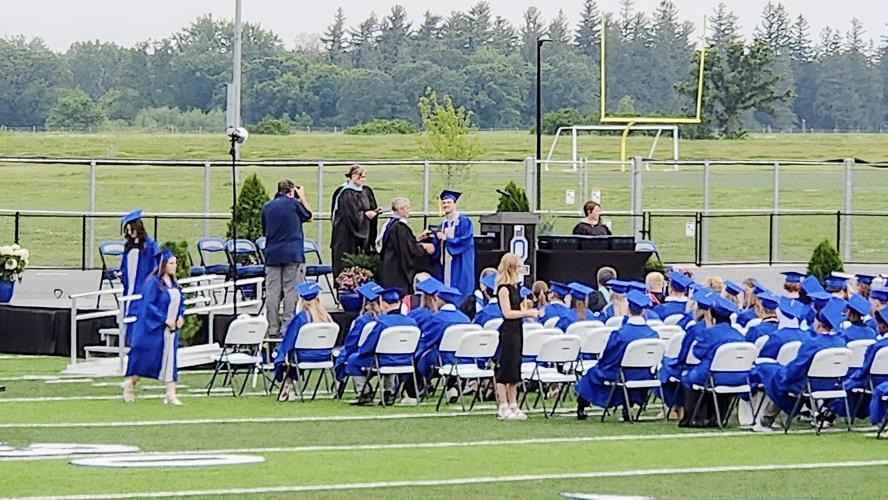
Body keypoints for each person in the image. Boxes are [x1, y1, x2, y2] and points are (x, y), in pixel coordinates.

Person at [753, 299, 849, 432]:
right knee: (778, 376)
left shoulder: (813, 343)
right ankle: (822, 415)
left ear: (819, 324)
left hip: (809, 385)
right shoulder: (841, 342)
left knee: (774, 377)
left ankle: (766, 421)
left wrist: (784, 375)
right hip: (835, 384)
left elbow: (797, 367)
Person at [575, 290, 659, 420]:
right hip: (645, 375)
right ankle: (627, 407)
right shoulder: (653, 335)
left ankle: (582, 406)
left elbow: (608, 359)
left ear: (628, 310)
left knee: (592, 373)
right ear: (643, 311)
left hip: (621, 375)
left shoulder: (620, 334)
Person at [122, 249, 185, 405]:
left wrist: (180, 316)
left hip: (172, 330)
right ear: (164, 264)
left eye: (175, 263)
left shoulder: (175, 284)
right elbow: (148, 306)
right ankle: (131, 384)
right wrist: (164, 319)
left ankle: (171, 393)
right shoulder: (153, 283)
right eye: (171, 263)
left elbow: (180, 302)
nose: (174, 266)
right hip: (156, 329)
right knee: (148, 361)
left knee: (171, 361)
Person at [679, 296, 745, 427]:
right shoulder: (738, 334)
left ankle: (695, 418)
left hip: (712, 375)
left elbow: (698, 352)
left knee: (687, 377)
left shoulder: (710, 333)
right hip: (739, 376)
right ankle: (717, 416)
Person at [345, 287, 416, 406]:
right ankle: (389, 392)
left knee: (353, 360)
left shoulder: (383, 323)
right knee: (387, 357)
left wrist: (362, 352)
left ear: (383, 304)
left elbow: (369, 346)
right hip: (407, 360)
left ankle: (365, 393)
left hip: (383, 361)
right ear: (399, 303)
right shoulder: (412, 322)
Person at [493, 253, 543, 420]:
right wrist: (528, 312)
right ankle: (503, 405)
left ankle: (514, 403)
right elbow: (507, 313)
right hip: (508, 331)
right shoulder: (503, 289)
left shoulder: (516, 288)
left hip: (518, 330)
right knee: (505, 367)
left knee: (515, 368)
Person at [261, 179, 313, 337]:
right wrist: (302, 197)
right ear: (291, 191)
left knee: (272, 291)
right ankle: (287, 326)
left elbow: (264, 230)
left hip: (272, 254)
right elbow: (309, 215)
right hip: (292, 254)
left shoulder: (267, 206)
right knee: (290, 290)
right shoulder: (293, 204)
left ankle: (272, 328)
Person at [273, 281, 334, 401]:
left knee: (289, 353)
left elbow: (289, 341)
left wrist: (279, 352)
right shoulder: (327, 319)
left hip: (303, 356)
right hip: (325, 355)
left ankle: (288, 384)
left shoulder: (301, 318)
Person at [412, 285, 471, 403]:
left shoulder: (437, 319)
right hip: (465, 360)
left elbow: (426, 341)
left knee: (417, 355)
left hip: (441, 360)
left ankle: (415, 391)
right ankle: (451, 386)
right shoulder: (465, 319)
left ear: (440, 301)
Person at [333, 281, 383, 393]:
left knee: (348, 358)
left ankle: (364, 391)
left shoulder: (362, 321)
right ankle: (389, 390)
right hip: (387, 357)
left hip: (367, 358)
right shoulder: (386, 319)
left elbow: (351, 344)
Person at [330, 164, 379, 277]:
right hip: (347, 236)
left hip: (361, 238)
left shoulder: (366, 191)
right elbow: (352, 216)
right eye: (361, 177)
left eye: (365, 177)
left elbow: (369, 207)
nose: (363, 180)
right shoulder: (345, 193)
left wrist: (374, 213)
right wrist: (366, 215)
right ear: (354, 176)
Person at [119, 209, 160, 341]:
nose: (130, 233)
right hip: (130, 283)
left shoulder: (150, 245)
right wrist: (121, 274)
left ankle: (136, 338)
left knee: (138, 308)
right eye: (128, 230)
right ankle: (128, 338)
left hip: (142, 283)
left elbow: (155, 266)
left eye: (132, 229)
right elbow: (124, 265)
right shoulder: (128, 246)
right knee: (128, 306)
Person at [434, 189, 475, 300]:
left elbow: (465, 240)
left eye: (448, 202)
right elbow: (438, 247)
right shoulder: (442, 224)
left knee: (461, 290)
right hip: (446, 265)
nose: (445, 205)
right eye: (444, 203)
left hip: (460, 262)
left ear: (455, 203)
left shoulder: (464, 222)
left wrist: (447, 239)